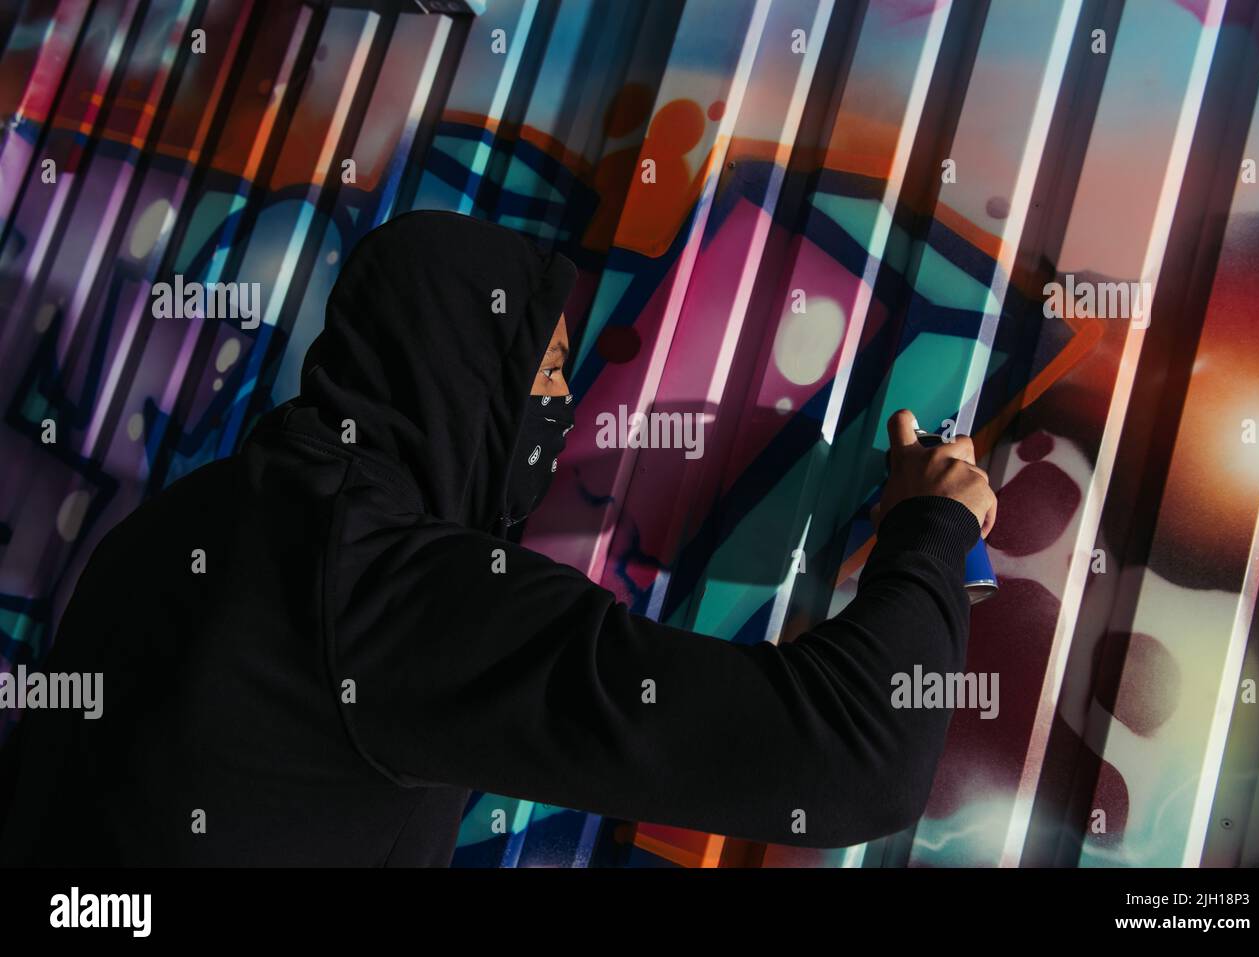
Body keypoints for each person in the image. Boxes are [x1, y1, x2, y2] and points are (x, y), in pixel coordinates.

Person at [0, 210, 996, 866]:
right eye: (547, 371)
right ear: (458, 371)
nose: (564, 409)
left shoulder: (194, 518)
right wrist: (933, 525)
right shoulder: (384, 586)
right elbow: (854, 760)